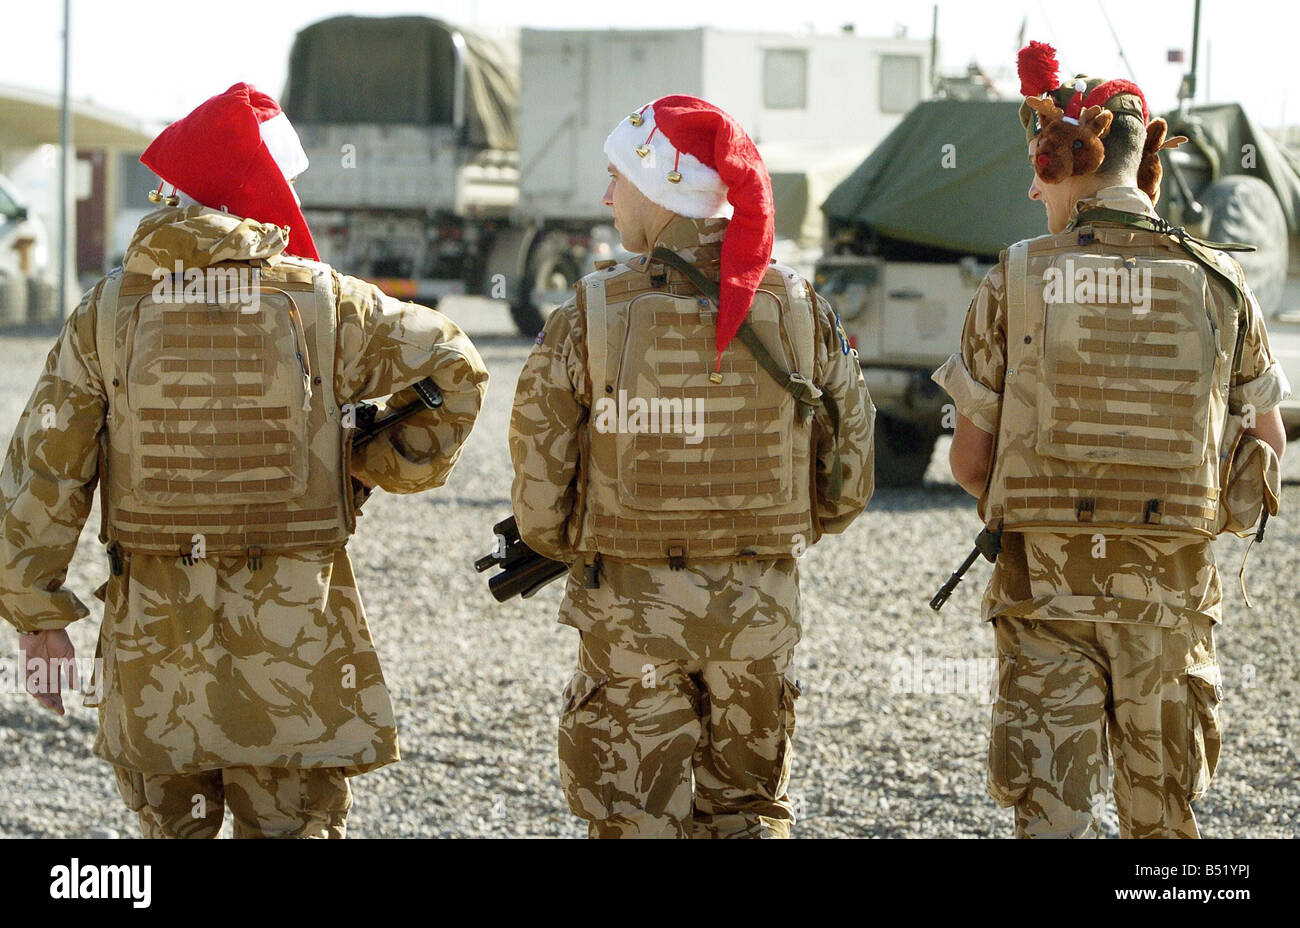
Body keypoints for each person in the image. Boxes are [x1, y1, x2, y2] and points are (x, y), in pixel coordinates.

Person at [0, 83, 489, 838]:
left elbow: (46, 465)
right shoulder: (329, 303)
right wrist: (372, 462)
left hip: (154, 656)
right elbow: (456, 368)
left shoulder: (106, 310)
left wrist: (38, 617)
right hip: (296, 650)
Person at [934, 42, 1288, 838]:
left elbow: (968, 461)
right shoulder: (1223, 282)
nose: (1031, 188)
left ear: (1066, 161)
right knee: (1163, 821)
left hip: (1044, 600)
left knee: (1050, 816)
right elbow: (1268, 449)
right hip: (1170, 608)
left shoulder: (1015, 279)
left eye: (1037, 169)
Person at [509, 95, 875, 838]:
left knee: (635, 819)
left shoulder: (589, 311)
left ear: (661, 182)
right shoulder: (804, 308)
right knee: (746, 817)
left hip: (630, 621)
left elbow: (541, 509)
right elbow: (847, 487)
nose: (606, 195)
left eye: (617, 176)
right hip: (758, 621)